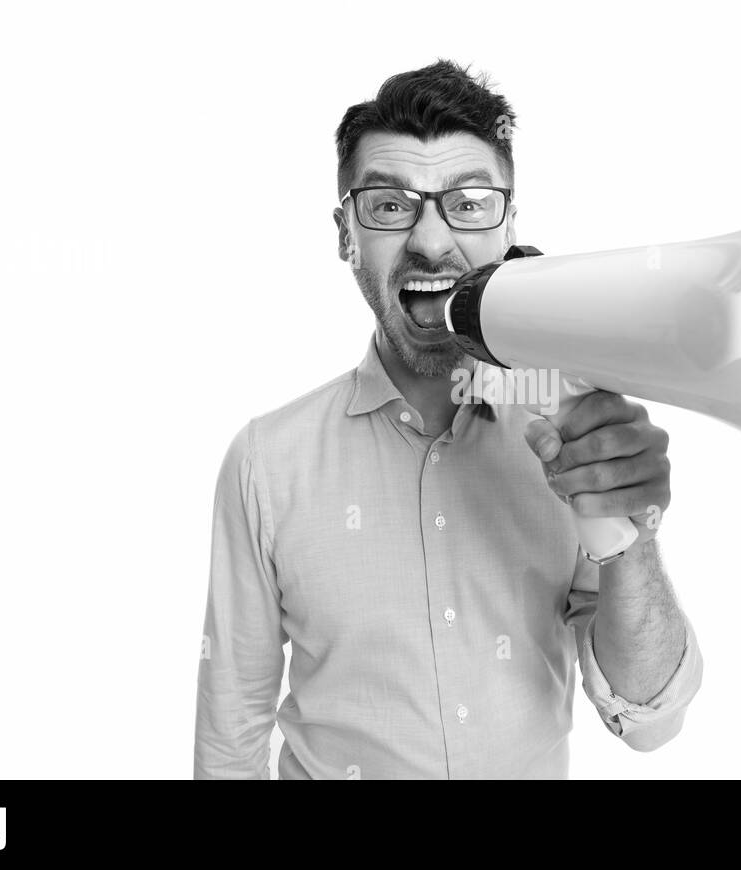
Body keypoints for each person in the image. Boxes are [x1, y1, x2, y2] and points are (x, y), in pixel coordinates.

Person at [194, 59, 702, 779]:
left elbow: (651, 719)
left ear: (508, 228)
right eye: (391, 205)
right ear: (345, 234)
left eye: (467, 203)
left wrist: (627, 534)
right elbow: (231, 733)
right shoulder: (264, 463)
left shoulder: (570, 428)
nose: (432, 243)